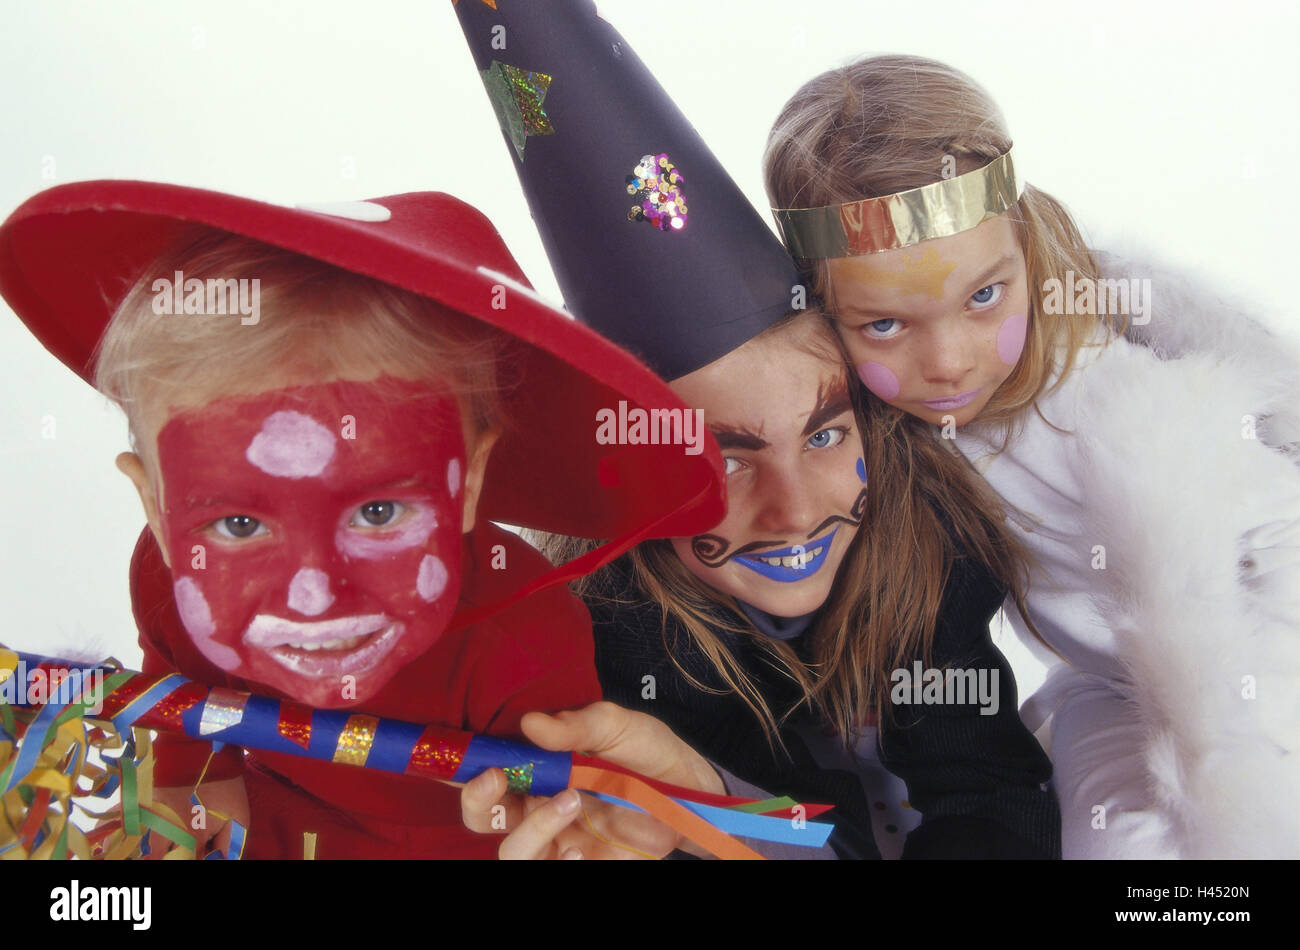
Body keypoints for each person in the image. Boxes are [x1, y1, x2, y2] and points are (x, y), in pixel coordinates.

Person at [452, 0, 1060, 859]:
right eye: (721, 463)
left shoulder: (926, 543)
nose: (792, 512)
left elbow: (995, 798)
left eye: (823, 437)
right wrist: (697, 800)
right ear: (626, 486)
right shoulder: (618, 636)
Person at [0, 182, 725, 858]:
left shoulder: (525, 640)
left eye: (378, 513)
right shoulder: (167, 581)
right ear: (157, 514)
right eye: (240, 527)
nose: (313, 595)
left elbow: (560, 830)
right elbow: (193, 769)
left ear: (468, 483)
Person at [763, 54, 1300, 858]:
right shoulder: (870, 432)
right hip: (1110, 694)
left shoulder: (1119, 408)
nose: (948, 363)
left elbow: (1271, 561)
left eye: (984, 297)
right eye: (885, 324)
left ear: (1026, 247)